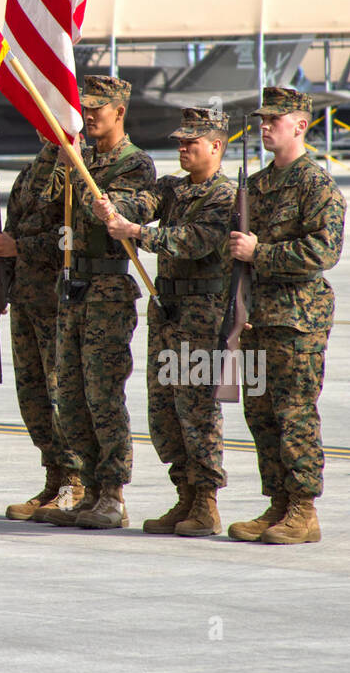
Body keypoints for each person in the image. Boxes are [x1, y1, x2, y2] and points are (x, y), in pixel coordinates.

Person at [94, 108, 234, 537]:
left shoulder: (225, 196)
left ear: (216, 146)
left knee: (197, 410)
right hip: (168, 313)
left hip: (202, 318)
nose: (183, 148)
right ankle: (185, 495)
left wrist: (136, 231)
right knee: (164, 410)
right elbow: (146, 201)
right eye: (180, 141)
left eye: (192, 141)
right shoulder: (172, 188)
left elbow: (192, 241)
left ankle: (206, 503)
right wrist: (113, 206)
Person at [225, 88, 345, 545]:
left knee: (294, 413)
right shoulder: (254, 186)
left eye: (276, 118)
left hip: (297, 320)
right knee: (261, 415)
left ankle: (303, 509)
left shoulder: (317, 186)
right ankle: (277, 501)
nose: (265, 125)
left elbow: (323, 251)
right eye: (263, 118)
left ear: (301, 125)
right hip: (257, 319)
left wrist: (262, 252)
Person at [45, 75, 156, 530]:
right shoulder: (77, 159)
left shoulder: (136, 163)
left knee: (103, 395)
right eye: (84, 108)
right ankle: (88, 487)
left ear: (119, 112)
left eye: (97, 109)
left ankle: (113, 493)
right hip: (73, 290)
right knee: (69, 395)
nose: (89, 116)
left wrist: (108, 205)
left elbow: (135, 210)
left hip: (108, 291)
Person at [0, 141, 84, 522]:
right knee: (33, 396)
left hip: (57, 302)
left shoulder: (80, 172)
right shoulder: (30, 173)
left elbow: (72, 237)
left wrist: (18, 247)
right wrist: (2, 280)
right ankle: (54, 476)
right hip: (25, 300)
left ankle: (75, 481)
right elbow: (11, 228)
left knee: (61, 395)